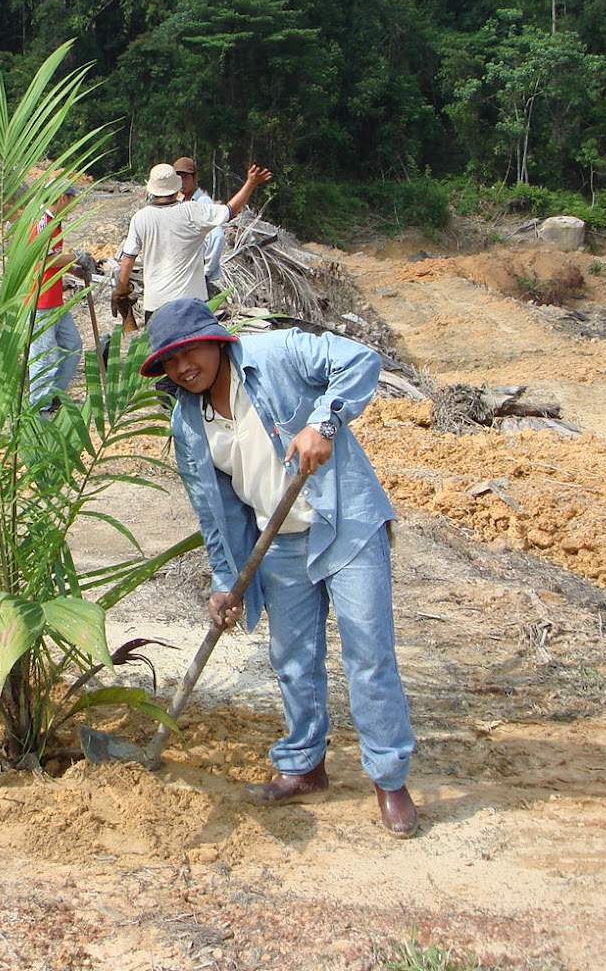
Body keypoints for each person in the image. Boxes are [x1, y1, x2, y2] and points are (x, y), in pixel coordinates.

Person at [141, 296, 419, 838]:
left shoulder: (277, 354)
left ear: (217, 341)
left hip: (346, 525)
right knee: (294, 659)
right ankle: (304, 768)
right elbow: (215, 512)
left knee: (368, 652)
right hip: (281, 544)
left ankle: (389, 779)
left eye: (190, 351)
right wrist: (226, 582)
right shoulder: (188, 423)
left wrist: (325, 423)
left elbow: (360, 359)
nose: (183, 367)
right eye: (170, 362)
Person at [111, 161, 269, 324]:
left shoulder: (141, 218)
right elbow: (229, 211)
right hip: (190, 305)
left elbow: (128, 258)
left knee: (161, 349)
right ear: (176, 186)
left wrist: (121, 290)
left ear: (152, 188)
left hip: (156, 306)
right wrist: (250, 184)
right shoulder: (192, 211)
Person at [28, 184, 88, 415]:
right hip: (40, 300)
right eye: (72, 200)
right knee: (44, 356)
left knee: (72, 344)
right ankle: (40, 408)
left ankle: (54, 396)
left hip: (54, 299)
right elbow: (45, 258)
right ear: (63, 198)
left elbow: (53, 258)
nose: (73, 206)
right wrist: (77, 257)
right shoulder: (41, 221)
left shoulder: (55, 222)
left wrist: (73, 268)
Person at [172, 157, 227, 300]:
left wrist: (206, 272)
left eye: (185, 178)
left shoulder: (203, 203)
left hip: (198, 276)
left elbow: (217, 237)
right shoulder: (180, 204)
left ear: (195, 177)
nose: (181, 182)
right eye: (178, 178)